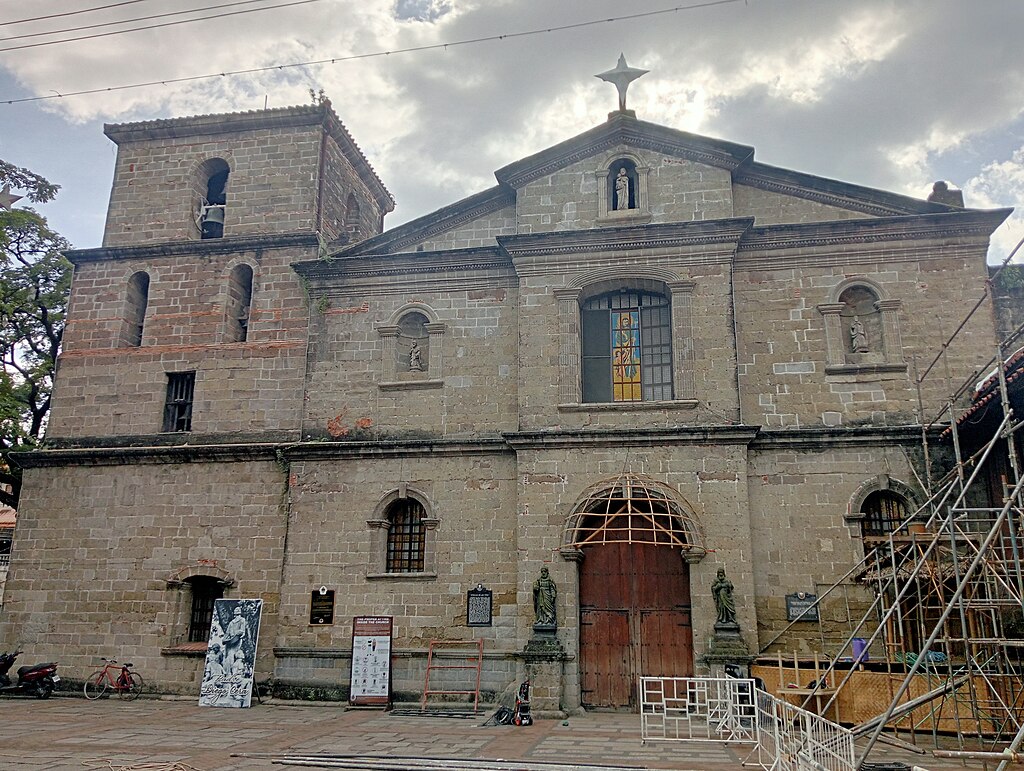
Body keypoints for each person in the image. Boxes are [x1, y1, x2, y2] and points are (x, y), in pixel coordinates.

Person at [222, 605, 250, 672]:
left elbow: (242, 631)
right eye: (236, 614)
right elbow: (227, 632)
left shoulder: (242, 620)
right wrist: (224, 639)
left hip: (237, 640)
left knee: (232, 654)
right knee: (227, 655)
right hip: (230, 641)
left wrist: (239, 634)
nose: (237, 616)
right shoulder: (231, 622)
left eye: (238, 614)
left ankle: (233, 671)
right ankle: (227, 671)